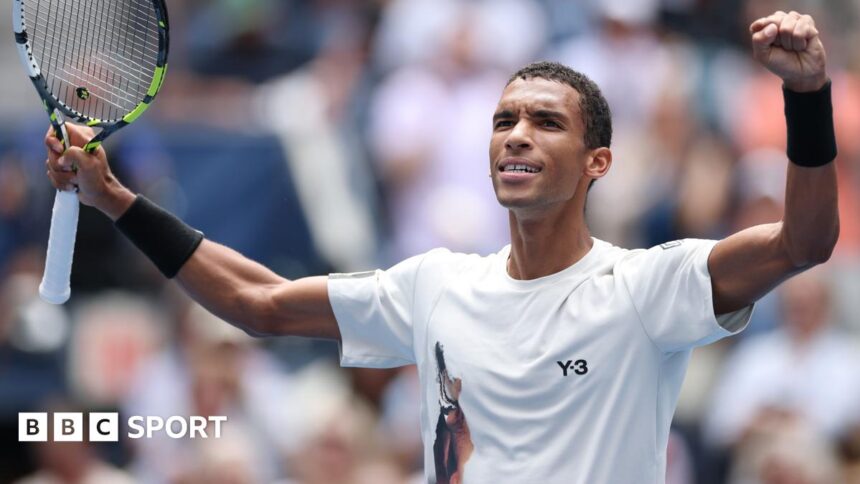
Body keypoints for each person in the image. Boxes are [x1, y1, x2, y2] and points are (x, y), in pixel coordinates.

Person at [44, 10, 838, 483]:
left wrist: (806, 99)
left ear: (599, 161)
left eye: (546, 122)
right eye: (503, 121)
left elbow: (805, 241)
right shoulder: (433, 285)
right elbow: (256, 303)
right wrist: (116, 200)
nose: (516, 136)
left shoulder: (645, 287)